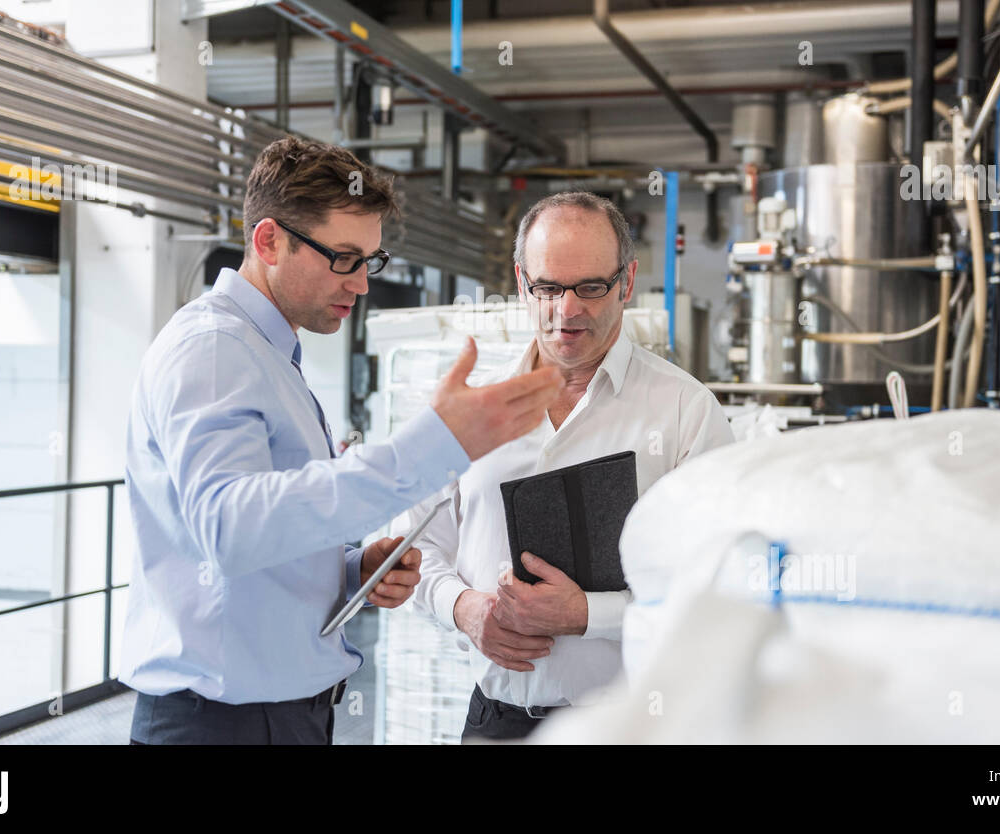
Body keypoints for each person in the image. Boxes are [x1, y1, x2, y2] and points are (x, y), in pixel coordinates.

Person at [120, 136, 562, 744]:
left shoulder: (270, 356)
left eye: (370, 261)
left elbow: (266, 531)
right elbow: (229, 528)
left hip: (281, 717)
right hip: (221, 725)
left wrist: (351, 572)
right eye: (344, 257)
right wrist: (434, 443)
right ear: (268, 241)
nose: (360, 284)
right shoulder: (215, 350)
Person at [408, 191, 735, 742]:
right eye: (549, 288)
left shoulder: (685, 411)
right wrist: (463, 608)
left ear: (626, 282)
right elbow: (414, 547)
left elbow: (719, 587)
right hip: (494, 721)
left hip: (627, 725)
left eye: (590, 287)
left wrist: (587, 614)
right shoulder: (473, 406)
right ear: (521, 282)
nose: (567, 310)